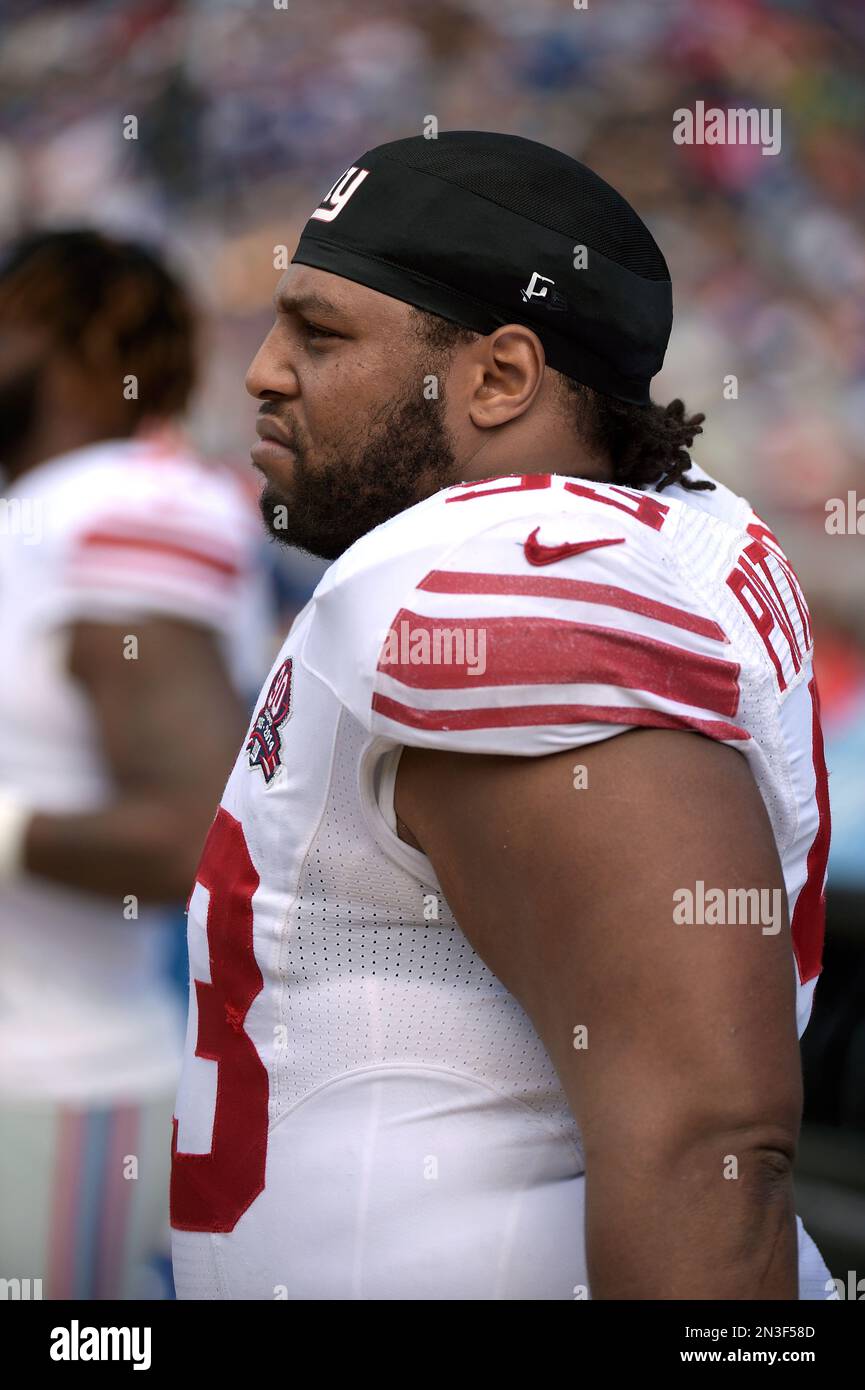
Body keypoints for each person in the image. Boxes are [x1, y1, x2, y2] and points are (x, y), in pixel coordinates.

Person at [170, 132, 834, 1300]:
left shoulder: (503, 576)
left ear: (497, 378)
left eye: (320, 333)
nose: (262, 371)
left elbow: (707, 1144)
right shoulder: (668, 529)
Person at [0, 230, 272, 1298]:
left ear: (71, 341)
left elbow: (190, 836)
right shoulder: (44, 512)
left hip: (58, 1090)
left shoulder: (125, 504)